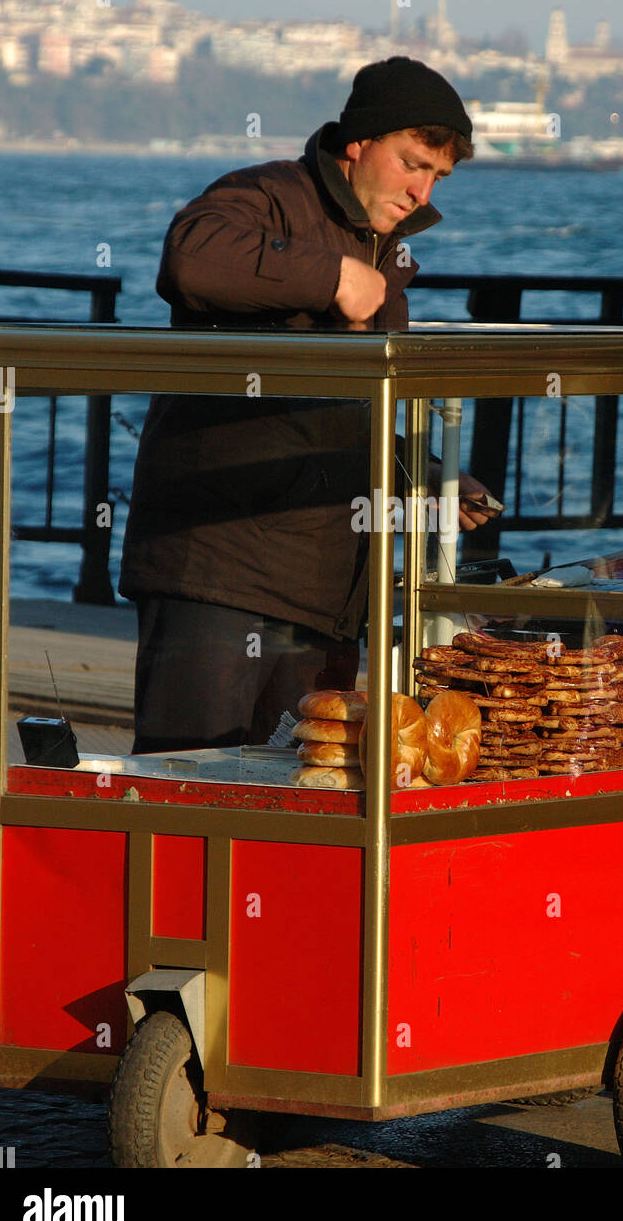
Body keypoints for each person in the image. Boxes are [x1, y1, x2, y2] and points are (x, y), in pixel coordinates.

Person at [119, 56, 498, 753]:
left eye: (437, 177)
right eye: (411, 163)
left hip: (328, 589)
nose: (421, 190)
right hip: (219, 570)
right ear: (358, 143)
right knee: (189, 783)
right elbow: (190, 256)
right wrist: (330, 277)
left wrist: (431, 473)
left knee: (299, 794)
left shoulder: (387, 253)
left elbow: (353, 411)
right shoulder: (264, 195)